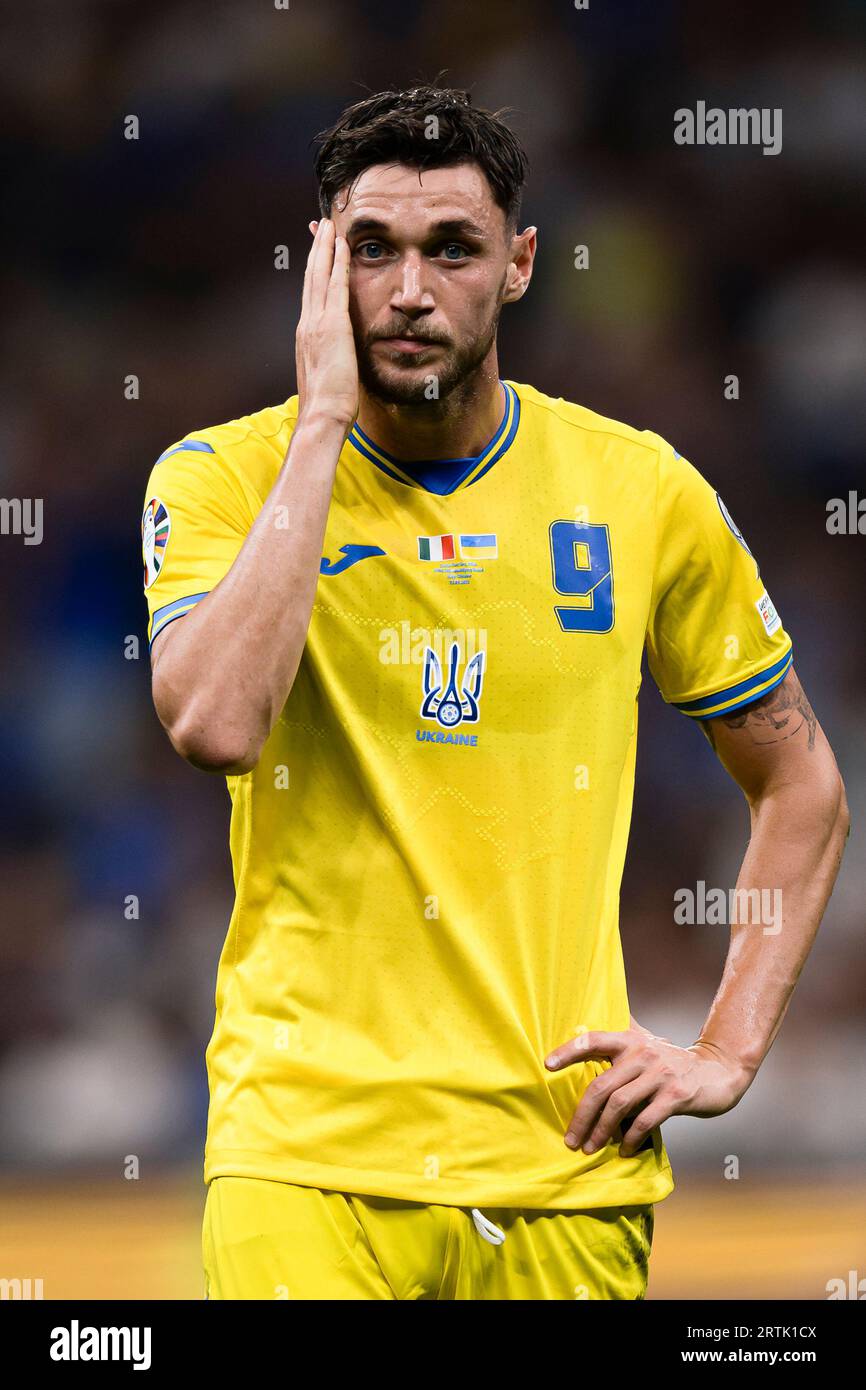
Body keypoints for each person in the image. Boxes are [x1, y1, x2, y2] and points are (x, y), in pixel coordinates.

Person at [141, 86, 849, 1300]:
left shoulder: (638, 492)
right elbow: (215, 723)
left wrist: (727, 1049)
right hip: (303, 1161)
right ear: (321, 265)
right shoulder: (219, 477)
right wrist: (319, 423)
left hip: (564, 1165)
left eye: (451, 249)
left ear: (518, 264)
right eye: (371, 250)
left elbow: (801, 786)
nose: (408, 290)